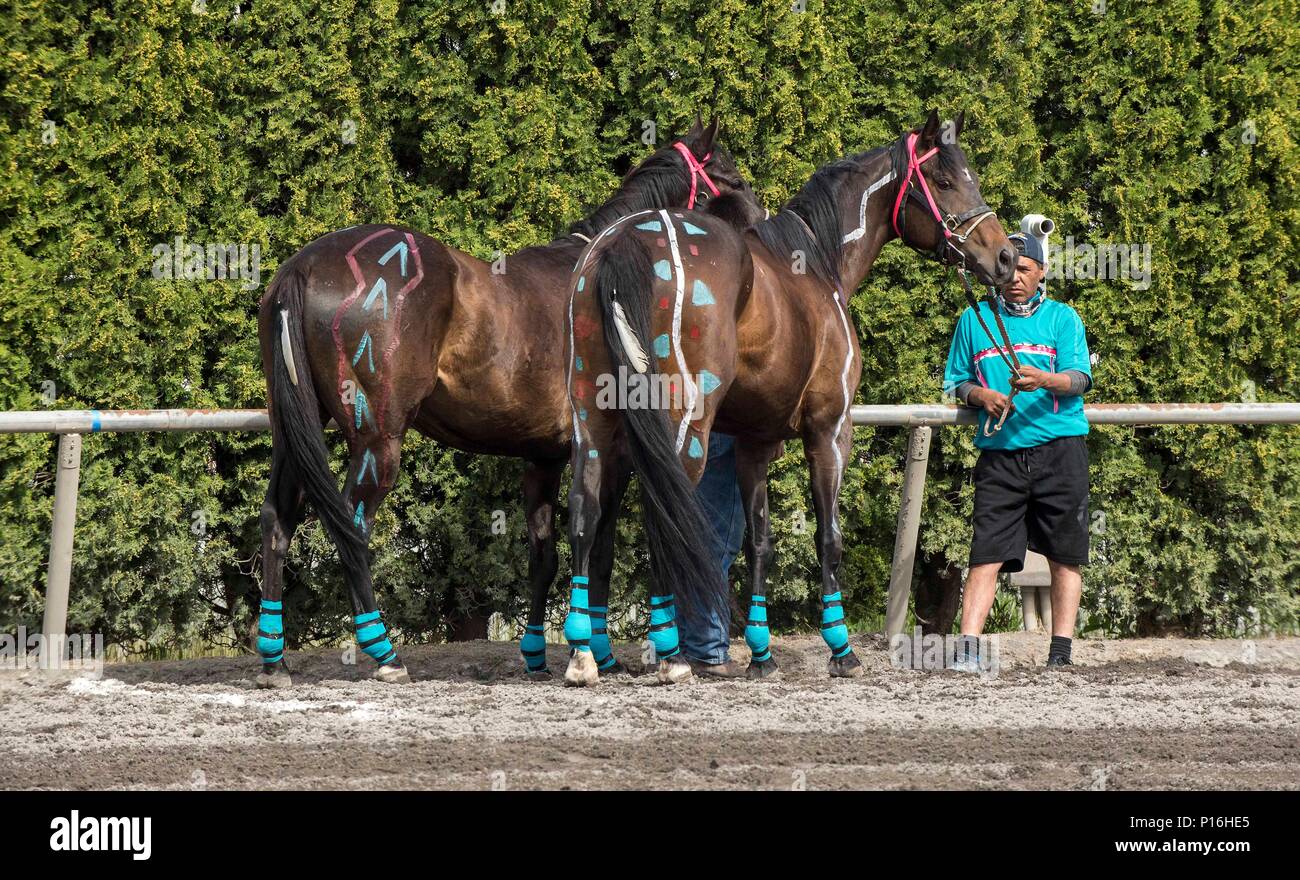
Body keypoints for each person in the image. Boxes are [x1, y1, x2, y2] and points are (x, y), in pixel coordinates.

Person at [942, 231, 1094, 670]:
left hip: (1060, 449)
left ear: (1042, 273)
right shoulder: (974, 320)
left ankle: (1060, 655)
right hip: (1000, 454)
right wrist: (980, 397)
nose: (1015, 279)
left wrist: (1044, 380)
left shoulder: (1063, 318)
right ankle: (968, 652)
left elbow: (1080, 380)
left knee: (1065, 556)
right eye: (1007, 270)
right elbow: (955, 382)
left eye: (1026, 270)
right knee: (984, 554)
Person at [683, 432, 747, 677]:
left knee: (683, 540)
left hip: (679, 427)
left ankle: (670, 647)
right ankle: (707, 651)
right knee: (719, 542)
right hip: (719, 430)